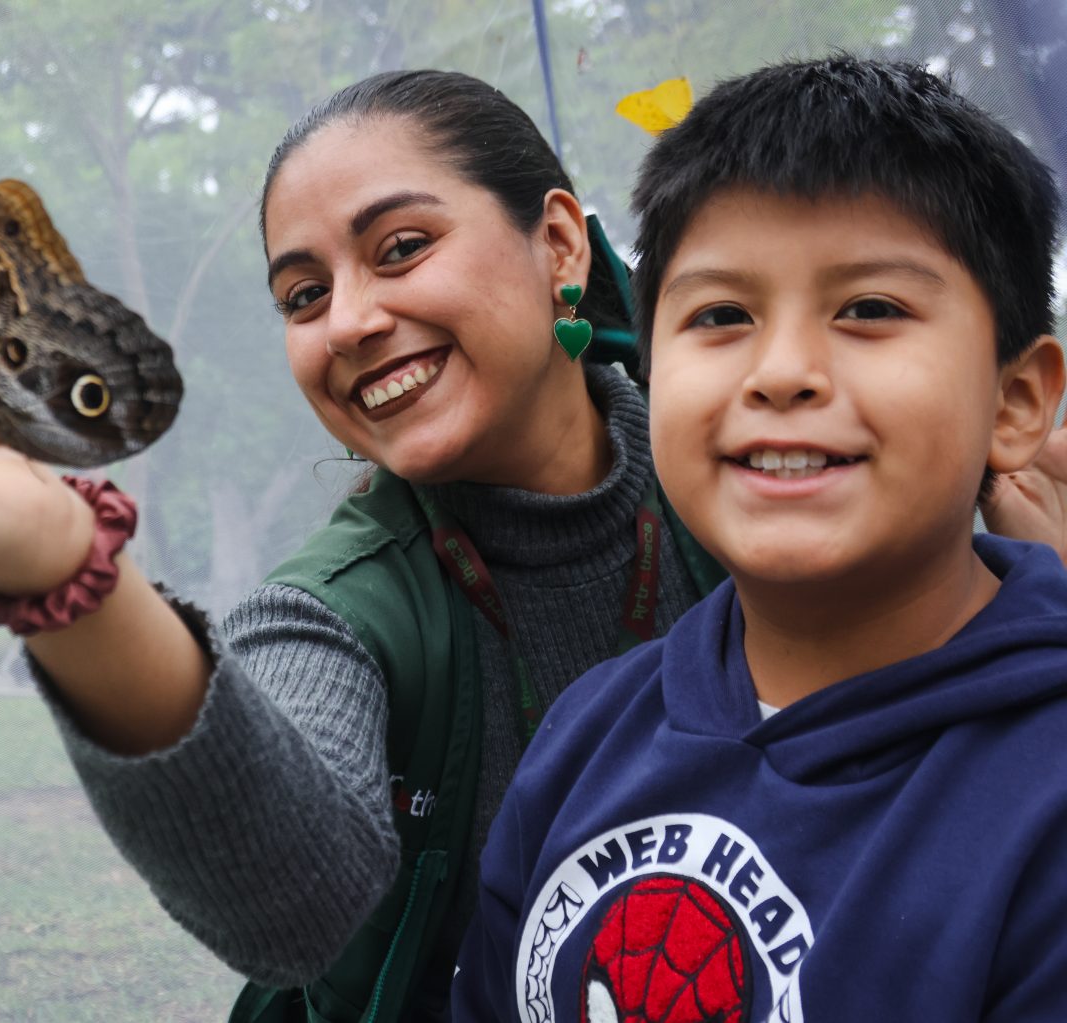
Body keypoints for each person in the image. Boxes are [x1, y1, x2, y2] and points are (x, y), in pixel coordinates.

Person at [0, 67, 1058, 1021]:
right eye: (302, 291)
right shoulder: (350, 599)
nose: (356, 319)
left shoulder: (767, 460)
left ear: (559, 243)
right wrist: (62, 570)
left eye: (401, 248)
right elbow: (297, 893)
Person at [452, 56, 1067, 1021]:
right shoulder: (586, 735)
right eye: (722, 315)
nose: (782, 372)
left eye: (869, 308)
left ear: (1017, 400)